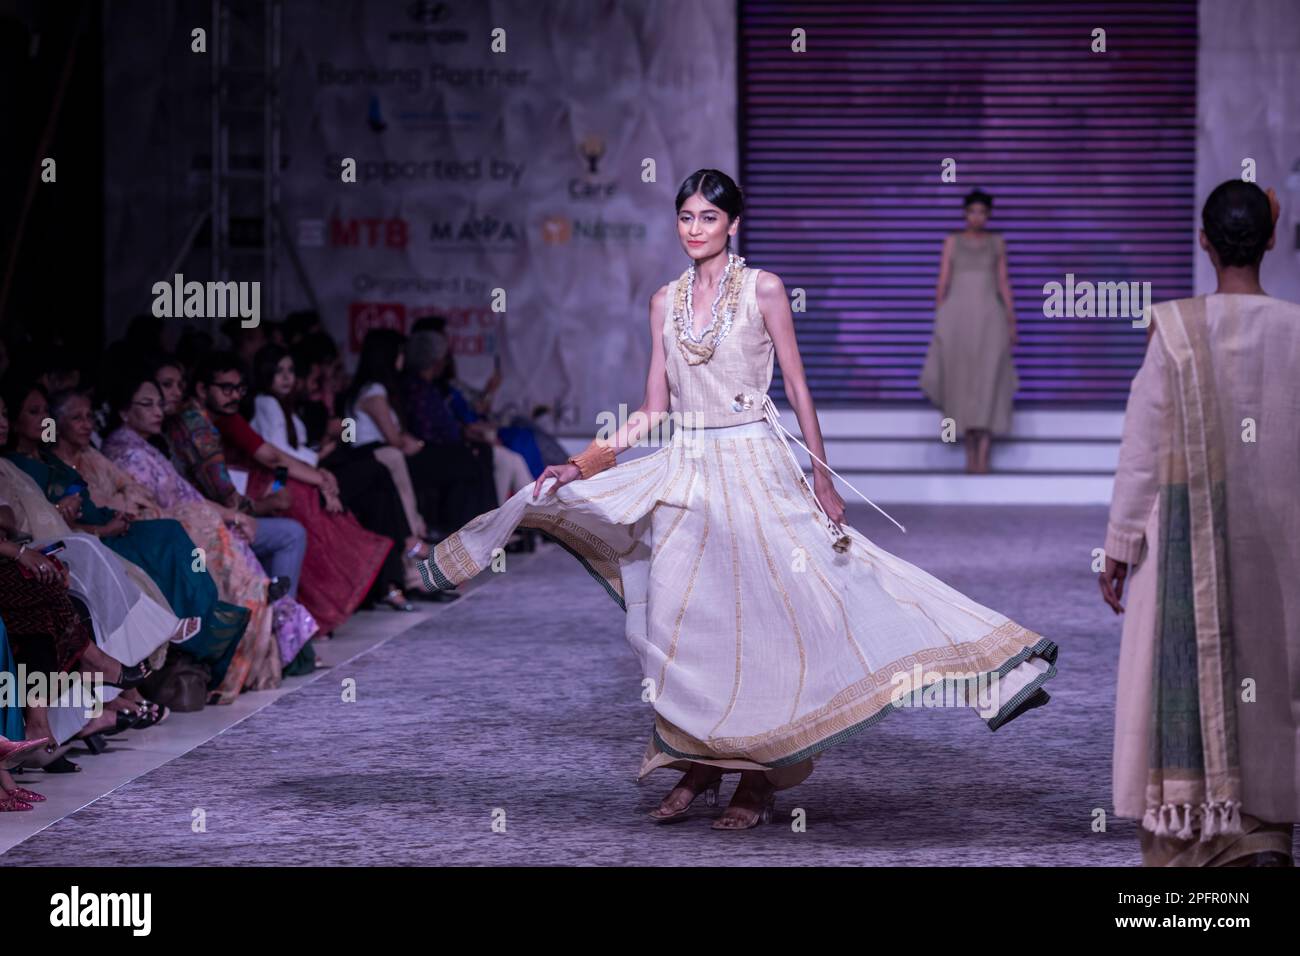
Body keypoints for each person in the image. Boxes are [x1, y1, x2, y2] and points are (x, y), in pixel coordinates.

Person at [417, 168, 1058, 829]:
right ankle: (701, 760)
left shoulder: (765, 289)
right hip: (688, 468)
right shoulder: (663, 301)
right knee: (688, 624)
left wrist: (823, 478)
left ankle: (755, 781)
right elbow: (652, 409)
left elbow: (801, 391)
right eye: (686, 217)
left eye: (708, 218)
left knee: (771, 618)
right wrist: (584, 463)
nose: (695, 229)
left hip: (756, 465)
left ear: (734, 224)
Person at [1099, 180, 1298, 867]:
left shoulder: (1176, 330)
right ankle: (1263, 832)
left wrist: (1121, 548)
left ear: (1204, 242)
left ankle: (1187, 847)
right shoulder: (1298, 331)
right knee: (1272, 678)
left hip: (1185, 548)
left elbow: (1143, 449)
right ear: (1271, 239)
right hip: (1282, 545)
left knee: (1182, 673)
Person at [4, 382, 251, 684]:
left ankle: (204, 617)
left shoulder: (51, 458)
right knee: (156, 543)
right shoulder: (15, 467)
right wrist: (92, 521)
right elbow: (28, 521)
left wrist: (115, 512)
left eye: (46, 412)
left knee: (172, 532)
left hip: (108, 522)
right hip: (83, 535)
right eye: (34, 412)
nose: (45, 421)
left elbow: (89, 489)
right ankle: (184, 632)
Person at [90, 375, 320, 694]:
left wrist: (230, 514)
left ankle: (271, 621)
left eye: (162, 401)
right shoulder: (126, 452)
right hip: (164, 535)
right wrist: (232, 513)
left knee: (236, 534)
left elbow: (186, 497)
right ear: (124, 411)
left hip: (187, 524)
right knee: (223, 544)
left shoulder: (149, 445)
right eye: (149, 403)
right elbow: (151, 508)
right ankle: (257, 633)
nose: (159, 409)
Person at [171, 352, 394, 631]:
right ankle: (304, 619)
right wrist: (314, 478)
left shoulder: (257, 410)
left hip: (267, 482)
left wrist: (318, 474)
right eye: (279, 371)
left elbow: (277, 458)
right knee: (305, 503)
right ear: (203, 389)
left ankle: (321, 608)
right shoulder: (248, 410)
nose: (287, 378)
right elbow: (271, 458)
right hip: (249, 491)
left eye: (239, 388)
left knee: (310, 496)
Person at [249, 344, 431, 604]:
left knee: (378, 495)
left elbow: (292, 450)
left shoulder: (284, 405)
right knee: (377, 468)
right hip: (281, 478)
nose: (287, 377)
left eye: (290, 370)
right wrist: (321, 474)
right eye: (279, 371)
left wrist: (320, 461)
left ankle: (392, 582)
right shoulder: (265, 402)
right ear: (265, 374)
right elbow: (277, 454)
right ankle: (407, 546)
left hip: (300, 470)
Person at [341, 329, 497, 541]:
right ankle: (444, 532)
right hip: (377, 456)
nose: (404, 358)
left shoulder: (383, 390)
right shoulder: (374, 393)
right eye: (400, 353)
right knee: (464, 459)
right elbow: (395, 439)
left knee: (469, 457)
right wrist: (420, 444)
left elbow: (399, 436)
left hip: (394, 453)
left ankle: (481, 529)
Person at [919, 188, 1019, 474]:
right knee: (962, 383)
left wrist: (1011, 320)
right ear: (965, 213)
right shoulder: (952, 242)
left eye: (983, 212)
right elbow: (943, 282)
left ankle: (983, 457)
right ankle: (968, 455)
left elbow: (1003, 282)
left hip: (990, 319)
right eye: (973, 211)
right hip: (958, 320)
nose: (977, 217)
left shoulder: (997, 243)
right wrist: (940, 318)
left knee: (989, 382)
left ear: (988, 215)